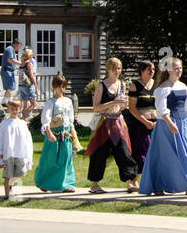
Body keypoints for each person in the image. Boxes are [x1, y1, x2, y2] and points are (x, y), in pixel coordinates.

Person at [139, 58, 187, 196]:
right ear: (169, 70)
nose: (179, 71)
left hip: (183, 124)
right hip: (167, 126)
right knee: (166, 157)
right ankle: (159, 184)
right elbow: (161, 109)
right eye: (176, 68)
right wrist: (170, 123)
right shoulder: (162, 88)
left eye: (181, 68)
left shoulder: (183, 86)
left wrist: (185, 120)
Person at [86, 58, 139, 194]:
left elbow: (122, 106)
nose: (118, 71)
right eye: (115, 68)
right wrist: (112, 102)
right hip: (104, 123)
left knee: (123, 151)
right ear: (108, 69)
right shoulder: (101, 86)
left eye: (119, 68)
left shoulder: (122, 84)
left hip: (118, 122)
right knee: (100, 152)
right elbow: (96, 108)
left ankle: (129, 181)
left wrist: (123, 105)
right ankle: (94, 184)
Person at [34, 75, 77, 193]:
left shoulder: (68, 101)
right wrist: (49, 133)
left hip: (66, 134)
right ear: (55, 87)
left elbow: (70, 118)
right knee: (50, 160)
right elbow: (45, 118)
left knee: (66, 159)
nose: (61, 89)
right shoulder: (51, 102)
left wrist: (73, 132)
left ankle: (66, 184)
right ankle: (44, 182)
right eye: (59, 86)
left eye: (63, 86)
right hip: (54, 134)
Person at [0, 98, 33, 201]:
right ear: (8, 109)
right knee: (8, 174)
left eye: (16, 108)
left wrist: (28, 153)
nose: (14, 111)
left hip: (19, 152)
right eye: (12, 109)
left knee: (20, 172)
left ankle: (11, 185)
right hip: (8, 153)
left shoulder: (22, 124)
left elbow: (27, 139)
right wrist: (0, 151)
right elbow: (0, 138)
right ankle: (7, 194)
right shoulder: (5, 123)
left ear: (20, 109)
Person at [123, 59, 157, 174]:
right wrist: (146, 122)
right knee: (142, 151)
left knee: (156, 151)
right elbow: (132, 108)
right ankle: (134, 179)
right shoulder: (135, 85)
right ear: (142, 70)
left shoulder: (157, 84)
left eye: (153, 69)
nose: (152, 71)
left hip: (156, 123)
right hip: (140, 123)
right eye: (149, 69)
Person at [18, 47, 38, 119]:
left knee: (25, 104)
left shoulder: (21, 64)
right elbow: (31, 75)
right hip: (28, 86)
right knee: (34, 104)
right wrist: (36, 86)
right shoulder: (29, 64)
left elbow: (20, 76)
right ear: (30, 56)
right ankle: (23, 117)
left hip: (21, 85)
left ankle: (23, 119)